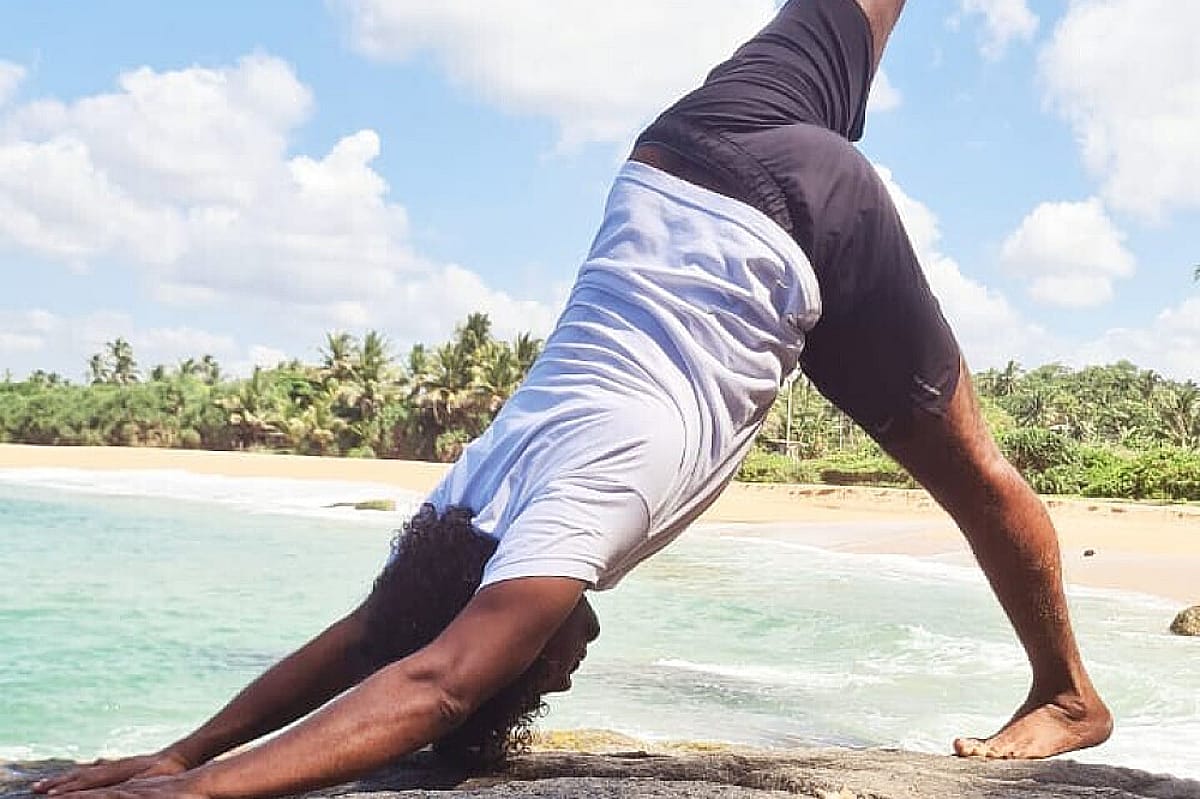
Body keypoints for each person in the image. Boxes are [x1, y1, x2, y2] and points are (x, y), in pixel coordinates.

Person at [33, 1, 1112, 797]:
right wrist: (177, 748)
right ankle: (1060, 687)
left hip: (806, 229)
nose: (563, 673)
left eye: (538, 676)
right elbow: (373, 631)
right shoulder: (471, 499)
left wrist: (191, 791)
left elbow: (438, 681)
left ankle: (1070, 694)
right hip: (679, 154)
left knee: (973, 472)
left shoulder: (569, 514)